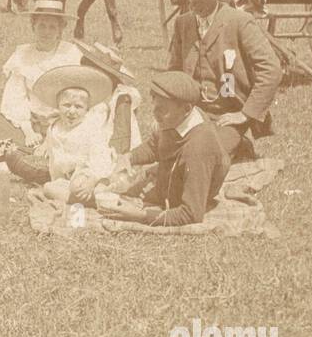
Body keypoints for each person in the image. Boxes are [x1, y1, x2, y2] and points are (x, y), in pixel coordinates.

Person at [168, 0, 282, 158]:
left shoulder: (239, 22)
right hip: (194, 113)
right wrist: (169, 113)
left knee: (202, 154)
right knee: (164, 146)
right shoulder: (183, 24)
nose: (193, 0)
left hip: (226, 116)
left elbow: (272, 69)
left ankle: (238, 145)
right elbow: (174, 74)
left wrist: (244, 114)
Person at [99, 71, 230, 227]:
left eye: (162, 109)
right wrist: (129, 157)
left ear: (187, 109)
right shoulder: (176, 118)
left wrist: (140, 216)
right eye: (154, 106)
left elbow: (191, 214)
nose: (155, 114)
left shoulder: (198, 148)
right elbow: (156, 145)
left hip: (184, 192)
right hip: (169, 178)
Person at [3, 65, 115, 205]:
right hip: (66, 180)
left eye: (78, 107)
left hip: (92, 176)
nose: (72, 111)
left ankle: (93, 198)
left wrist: (92, 180)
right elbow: (55, 162)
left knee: (82, 186)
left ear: (87, 110)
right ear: (58, 106)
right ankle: (89, 201)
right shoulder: (54, 128)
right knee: (50, 188)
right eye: (66, 105)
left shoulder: (91, 129)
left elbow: (101, 161)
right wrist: (57, 179)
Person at [0, 0, 83, 146]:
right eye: (41, 26)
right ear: (33, 27)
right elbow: (15, 97)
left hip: (67, 121)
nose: (46, 32)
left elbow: (77, 96)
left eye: (52, 27)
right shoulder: (23, 55)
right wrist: (29, 132)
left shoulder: (70, 54)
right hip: (34, 123)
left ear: (60, 30)